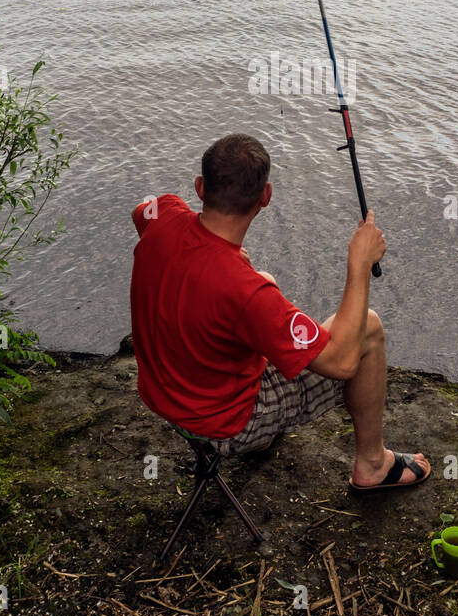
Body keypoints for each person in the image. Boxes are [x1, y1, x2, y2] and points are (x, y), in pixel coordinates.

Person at [130, 132, 430, 492]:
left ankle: (265, 431)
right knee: (368, 328)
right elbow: (342, 362)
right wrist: (359, 264)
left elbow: (141, 212)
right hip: (226, 423)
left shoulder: (163, 213)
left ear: (199, 187)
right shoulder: (247, 293)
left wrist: (207, 256)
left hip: (161, 393)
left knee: (262, 280)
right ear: (265, 197)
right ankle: (373, 463)